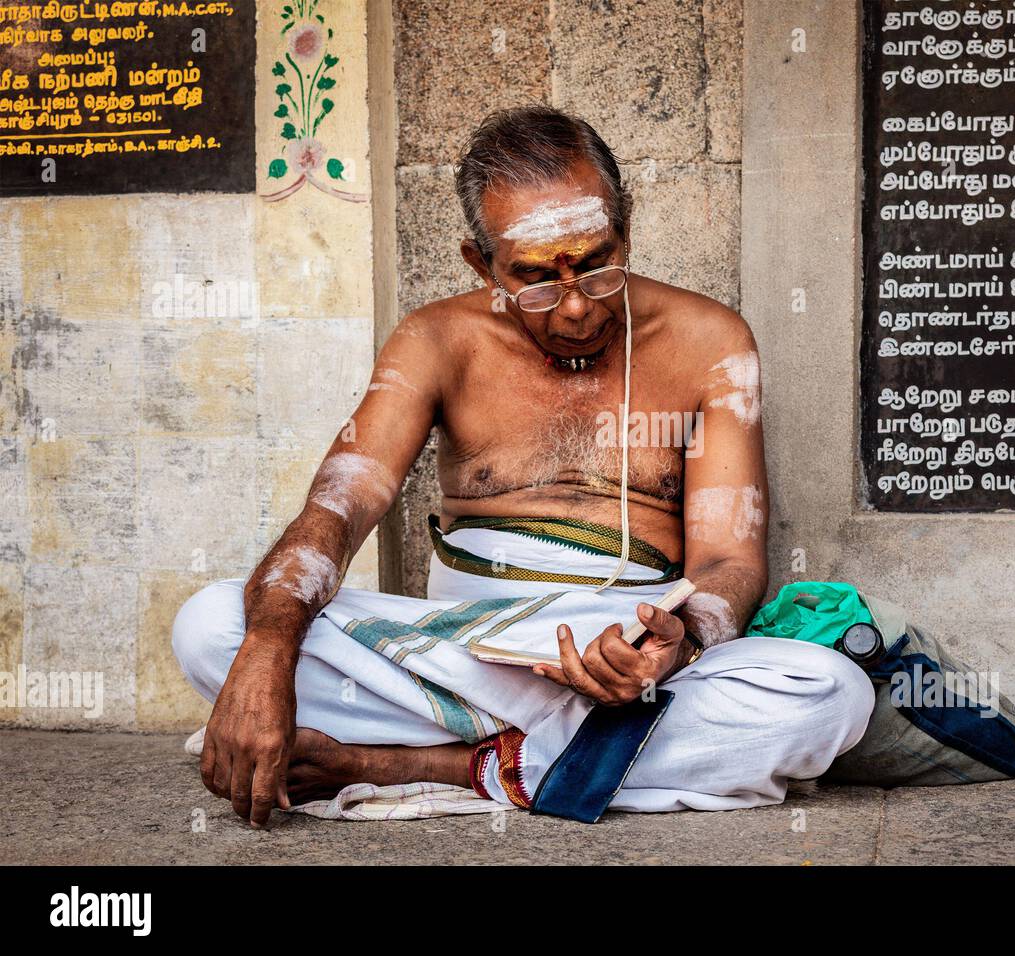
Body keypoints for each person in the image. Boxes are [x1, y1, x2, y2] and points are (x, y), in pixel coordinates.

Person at [172, 105, 873, 827]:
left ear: (625, 230)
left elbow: (730, 559)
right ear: (482, 264)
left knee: (827, 692)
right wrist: (266, 648)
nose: (573, 306)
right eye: (536, 279)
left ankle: (420, 763)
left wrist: (676, 643)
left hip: (623, 653)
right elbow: (335, 512)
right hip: (460, 652)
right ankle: (565, 756)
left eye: (597, 265)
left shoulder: (710, 340)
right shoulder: (437, 339)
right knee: (211, 627)